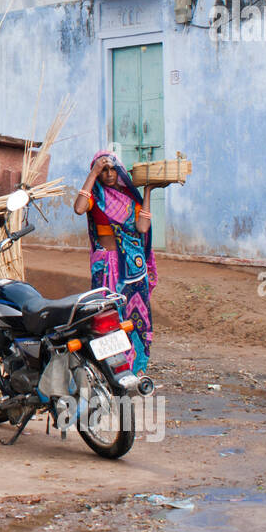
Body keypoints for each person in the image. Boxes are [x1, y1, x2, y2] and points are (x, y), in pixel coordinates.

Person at [71, 150, 157, 374]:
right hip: (106, 266)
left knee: (136, 318)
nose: (109, 174)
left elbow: (142, 228)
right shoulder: (95, 197)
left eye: (112, 169)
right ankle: (110, 369)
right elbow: (79, 208)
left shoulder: (129, 199)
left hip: (132, 269)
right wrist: (93, 173)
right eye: (104, 170)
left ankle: (135, 368)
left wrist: (146, 192)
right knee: (106, 316)